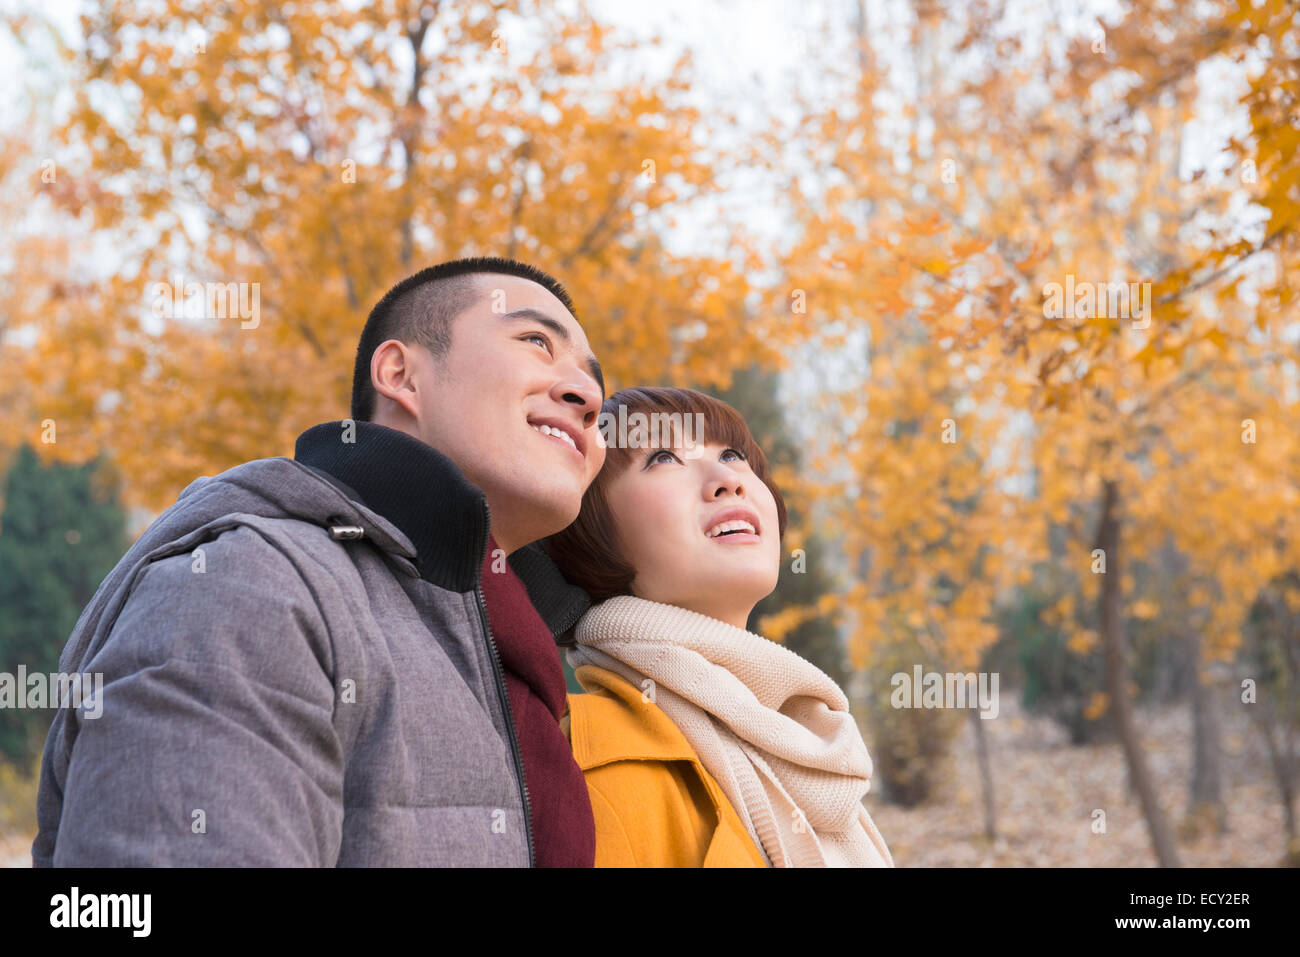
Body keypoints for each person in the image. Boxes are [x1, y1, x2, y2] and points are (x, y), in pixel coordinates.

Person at [33, 256, 607, 866]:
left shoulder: (523, 661)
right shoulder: (253, 585)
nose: (589, 395)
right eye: (536, 341)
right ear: (401, 375)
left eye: (594, 378)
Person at [545, 386, 894, 868]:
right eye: (663, 457)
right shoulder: (596, 768)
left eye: (732, 454)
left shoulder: (795, 739)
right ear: (590, 533)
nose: (727, 479)